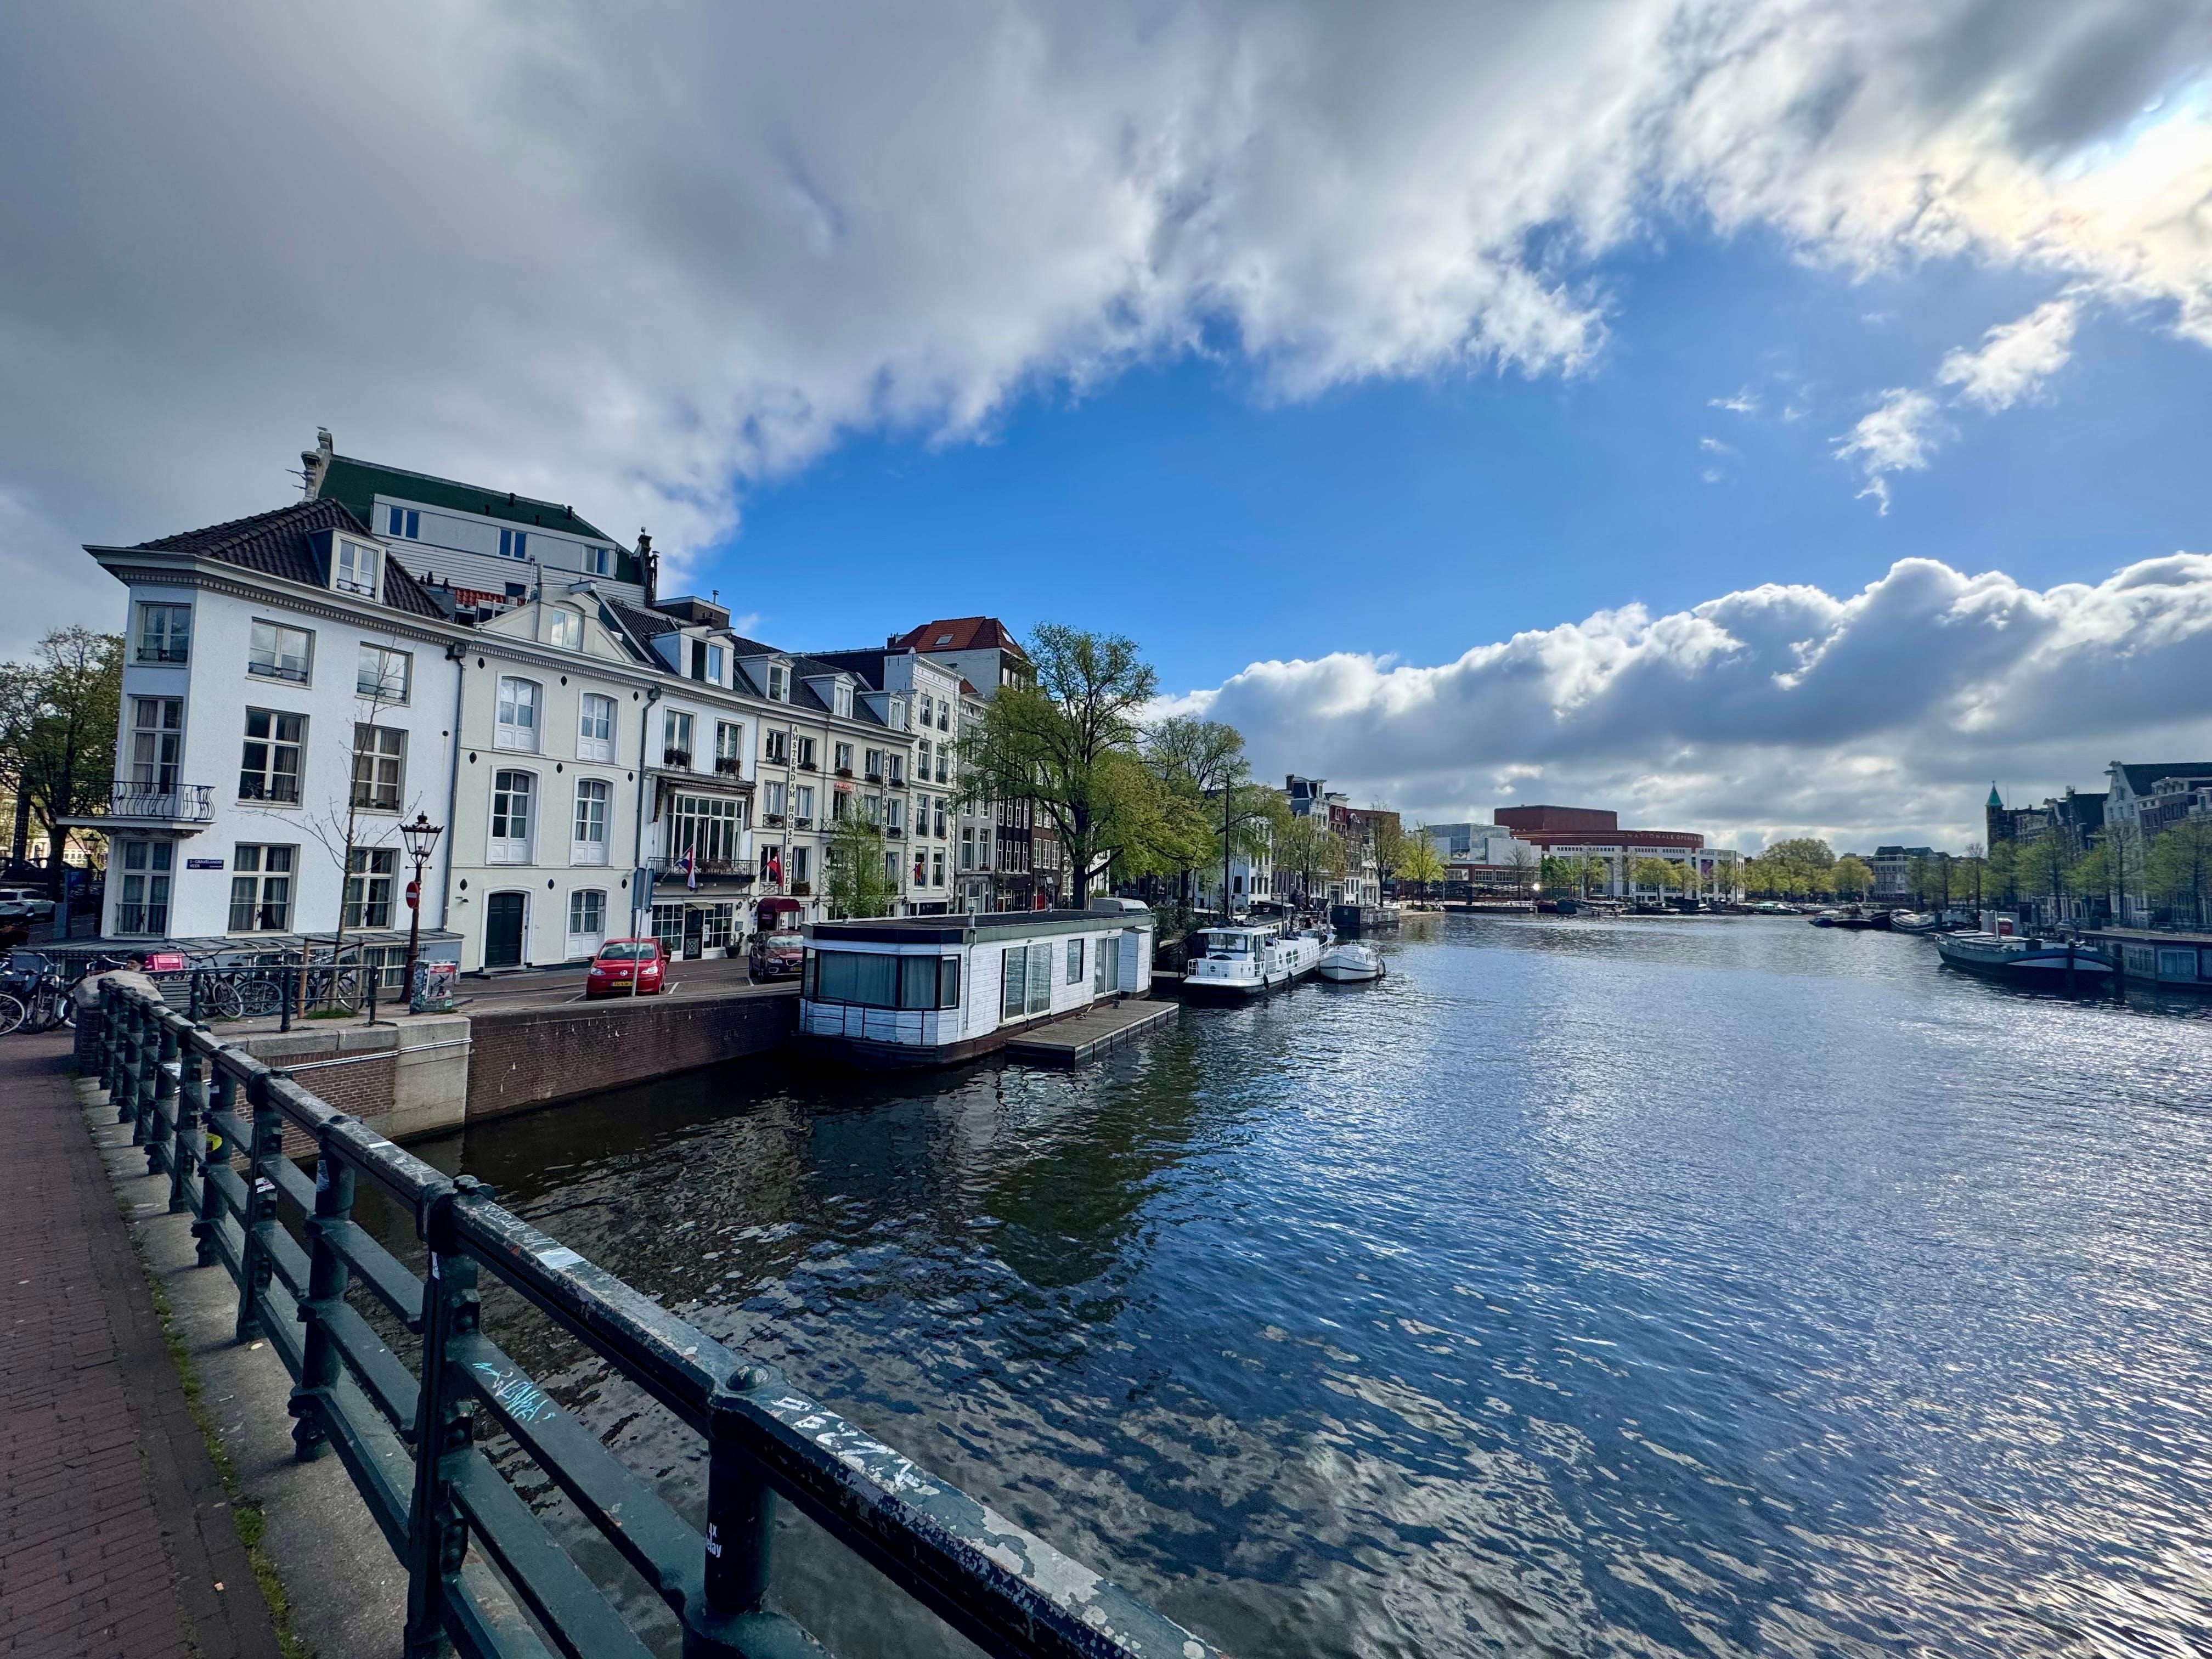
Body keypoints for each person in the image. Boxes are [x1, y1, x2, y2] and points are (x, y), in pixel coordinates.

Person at [72, 950, 163, 1012]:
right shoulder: (122, 974)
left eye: (133, 964)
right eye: (128, 963)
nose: (128, 966)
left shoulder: (147, 977)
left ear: (142, 965)